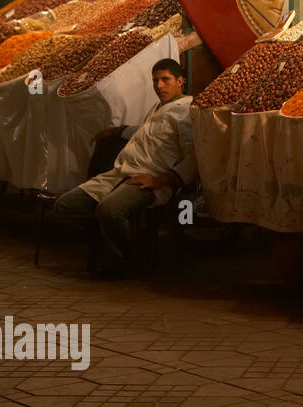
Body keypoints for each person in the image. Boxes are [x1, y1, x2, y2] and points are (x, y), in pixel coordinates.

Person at [54, 58, 197, 275]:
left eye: (165, 80)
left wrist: (159, 180)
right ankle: (120, 243)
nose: (159, 86)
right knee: (66, 205)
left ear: (180, 81)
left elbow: (192, 159)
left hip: (151, 178)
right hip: (121, 173)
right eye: (155, 81)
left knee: (109, 210)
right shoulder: (160, 106)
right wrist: (117, 131)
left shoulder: (186, 110)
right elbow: (147, 131)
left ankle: (122, 262)